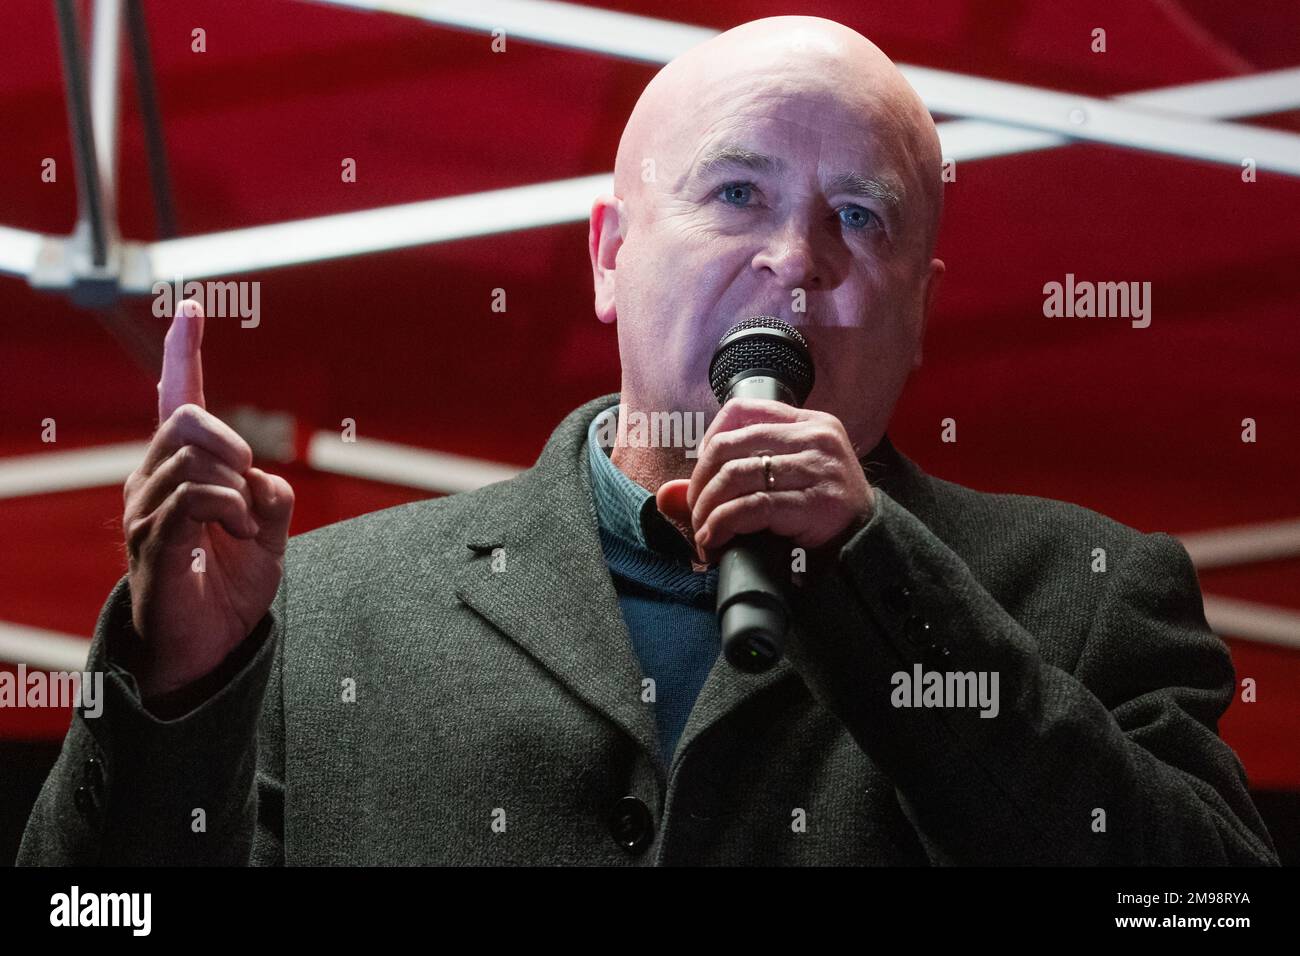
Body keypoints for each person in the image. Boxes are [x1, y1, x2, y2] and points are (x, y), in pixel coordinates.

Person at [18, 16, 1278, 865]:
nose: (795, 260)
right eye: (737, 195)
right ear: (611, 254)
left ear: (920, 307)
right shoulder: (325, 614)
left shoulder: (1090, 592)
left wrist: (876, 578)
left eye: (858, 215)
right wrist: (176, 698)